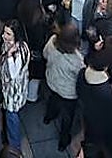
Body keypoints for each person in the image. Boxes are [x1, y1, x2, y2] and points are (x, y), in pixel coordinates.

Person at [42, 23, 83, 152]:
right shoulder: (77, 60)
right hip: (68, 92)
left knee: (53, 101)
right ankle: (63, 141)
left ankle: (48, 117)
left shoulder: (52, 43)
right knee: (67, 117)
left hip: (53, 82)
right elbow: (81, 75)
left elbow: (44, 54)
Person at [0, 22, 30, 152]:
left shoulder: (19, 51)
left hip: (14, 92)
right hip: (8, 89)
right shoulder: (8, 44)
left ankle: (14, 148)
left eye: (8, 34)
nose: (4, 36)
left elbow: (13, 74)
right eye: (4, 32)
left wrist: (10, 55)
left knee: (12, 117)